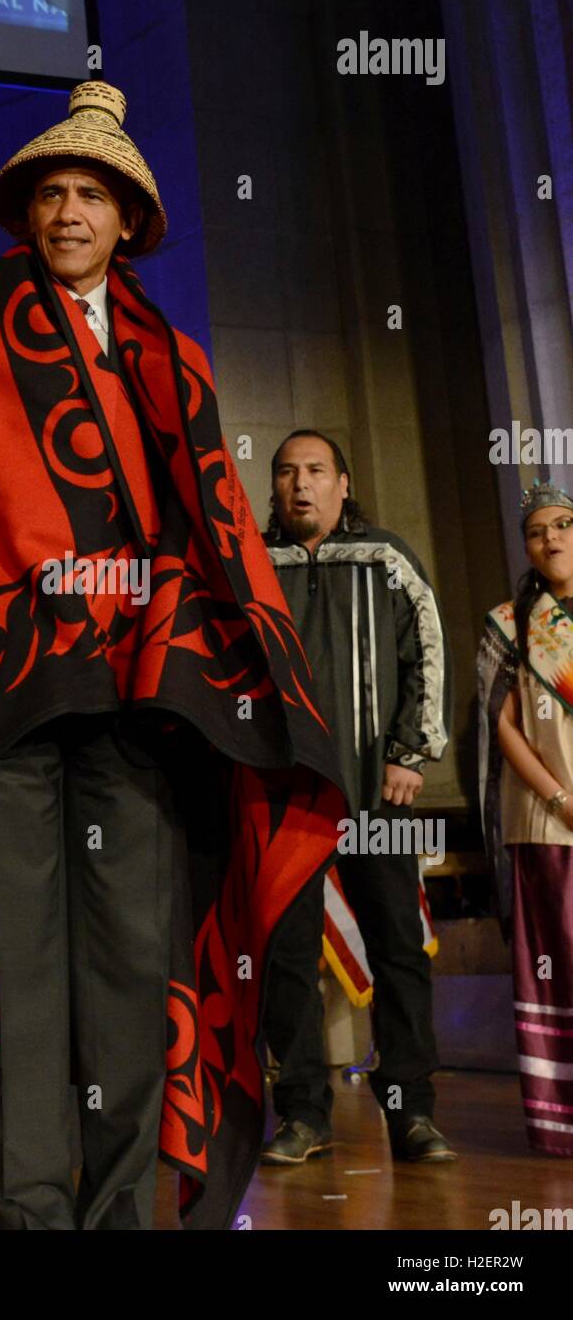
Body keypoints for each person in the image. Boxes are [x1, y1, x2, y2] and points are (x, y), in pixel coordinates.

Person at [0, 82, 347, 1232]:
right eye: (52, 193)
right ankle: (31, 1204)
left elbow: (210, 524)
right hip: (12, 703)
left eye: (91, 194)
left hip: (140, 697)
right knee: (19, 969)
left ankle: (122, 1206)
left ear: (130, 219)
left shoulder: (173, 357)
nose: (69, 210)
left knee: (132, 964)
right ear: (28, 215)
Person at [261, 430, 456, 1164]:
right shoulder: (251, 567)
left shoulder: (386, 557)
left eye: (313, 471)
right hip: (289, 798)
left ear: (343, 483)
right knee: (285, 958)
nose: (298, 484)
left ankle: (410, 1112)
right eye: (284, 473)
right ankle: (304, 1115)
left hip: (384, 796)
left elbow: (427, 652)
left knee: (398, 948)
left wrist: (410, 754)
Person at [478, 480, 573, 1158]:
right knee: (560, 962)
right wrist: (561, 799)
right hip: (545, 822)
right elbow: (503, 726)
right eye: (537, 530)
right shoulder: (508, 621)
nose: (552, 538)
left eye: (563, 524)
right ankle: (561, 1118)